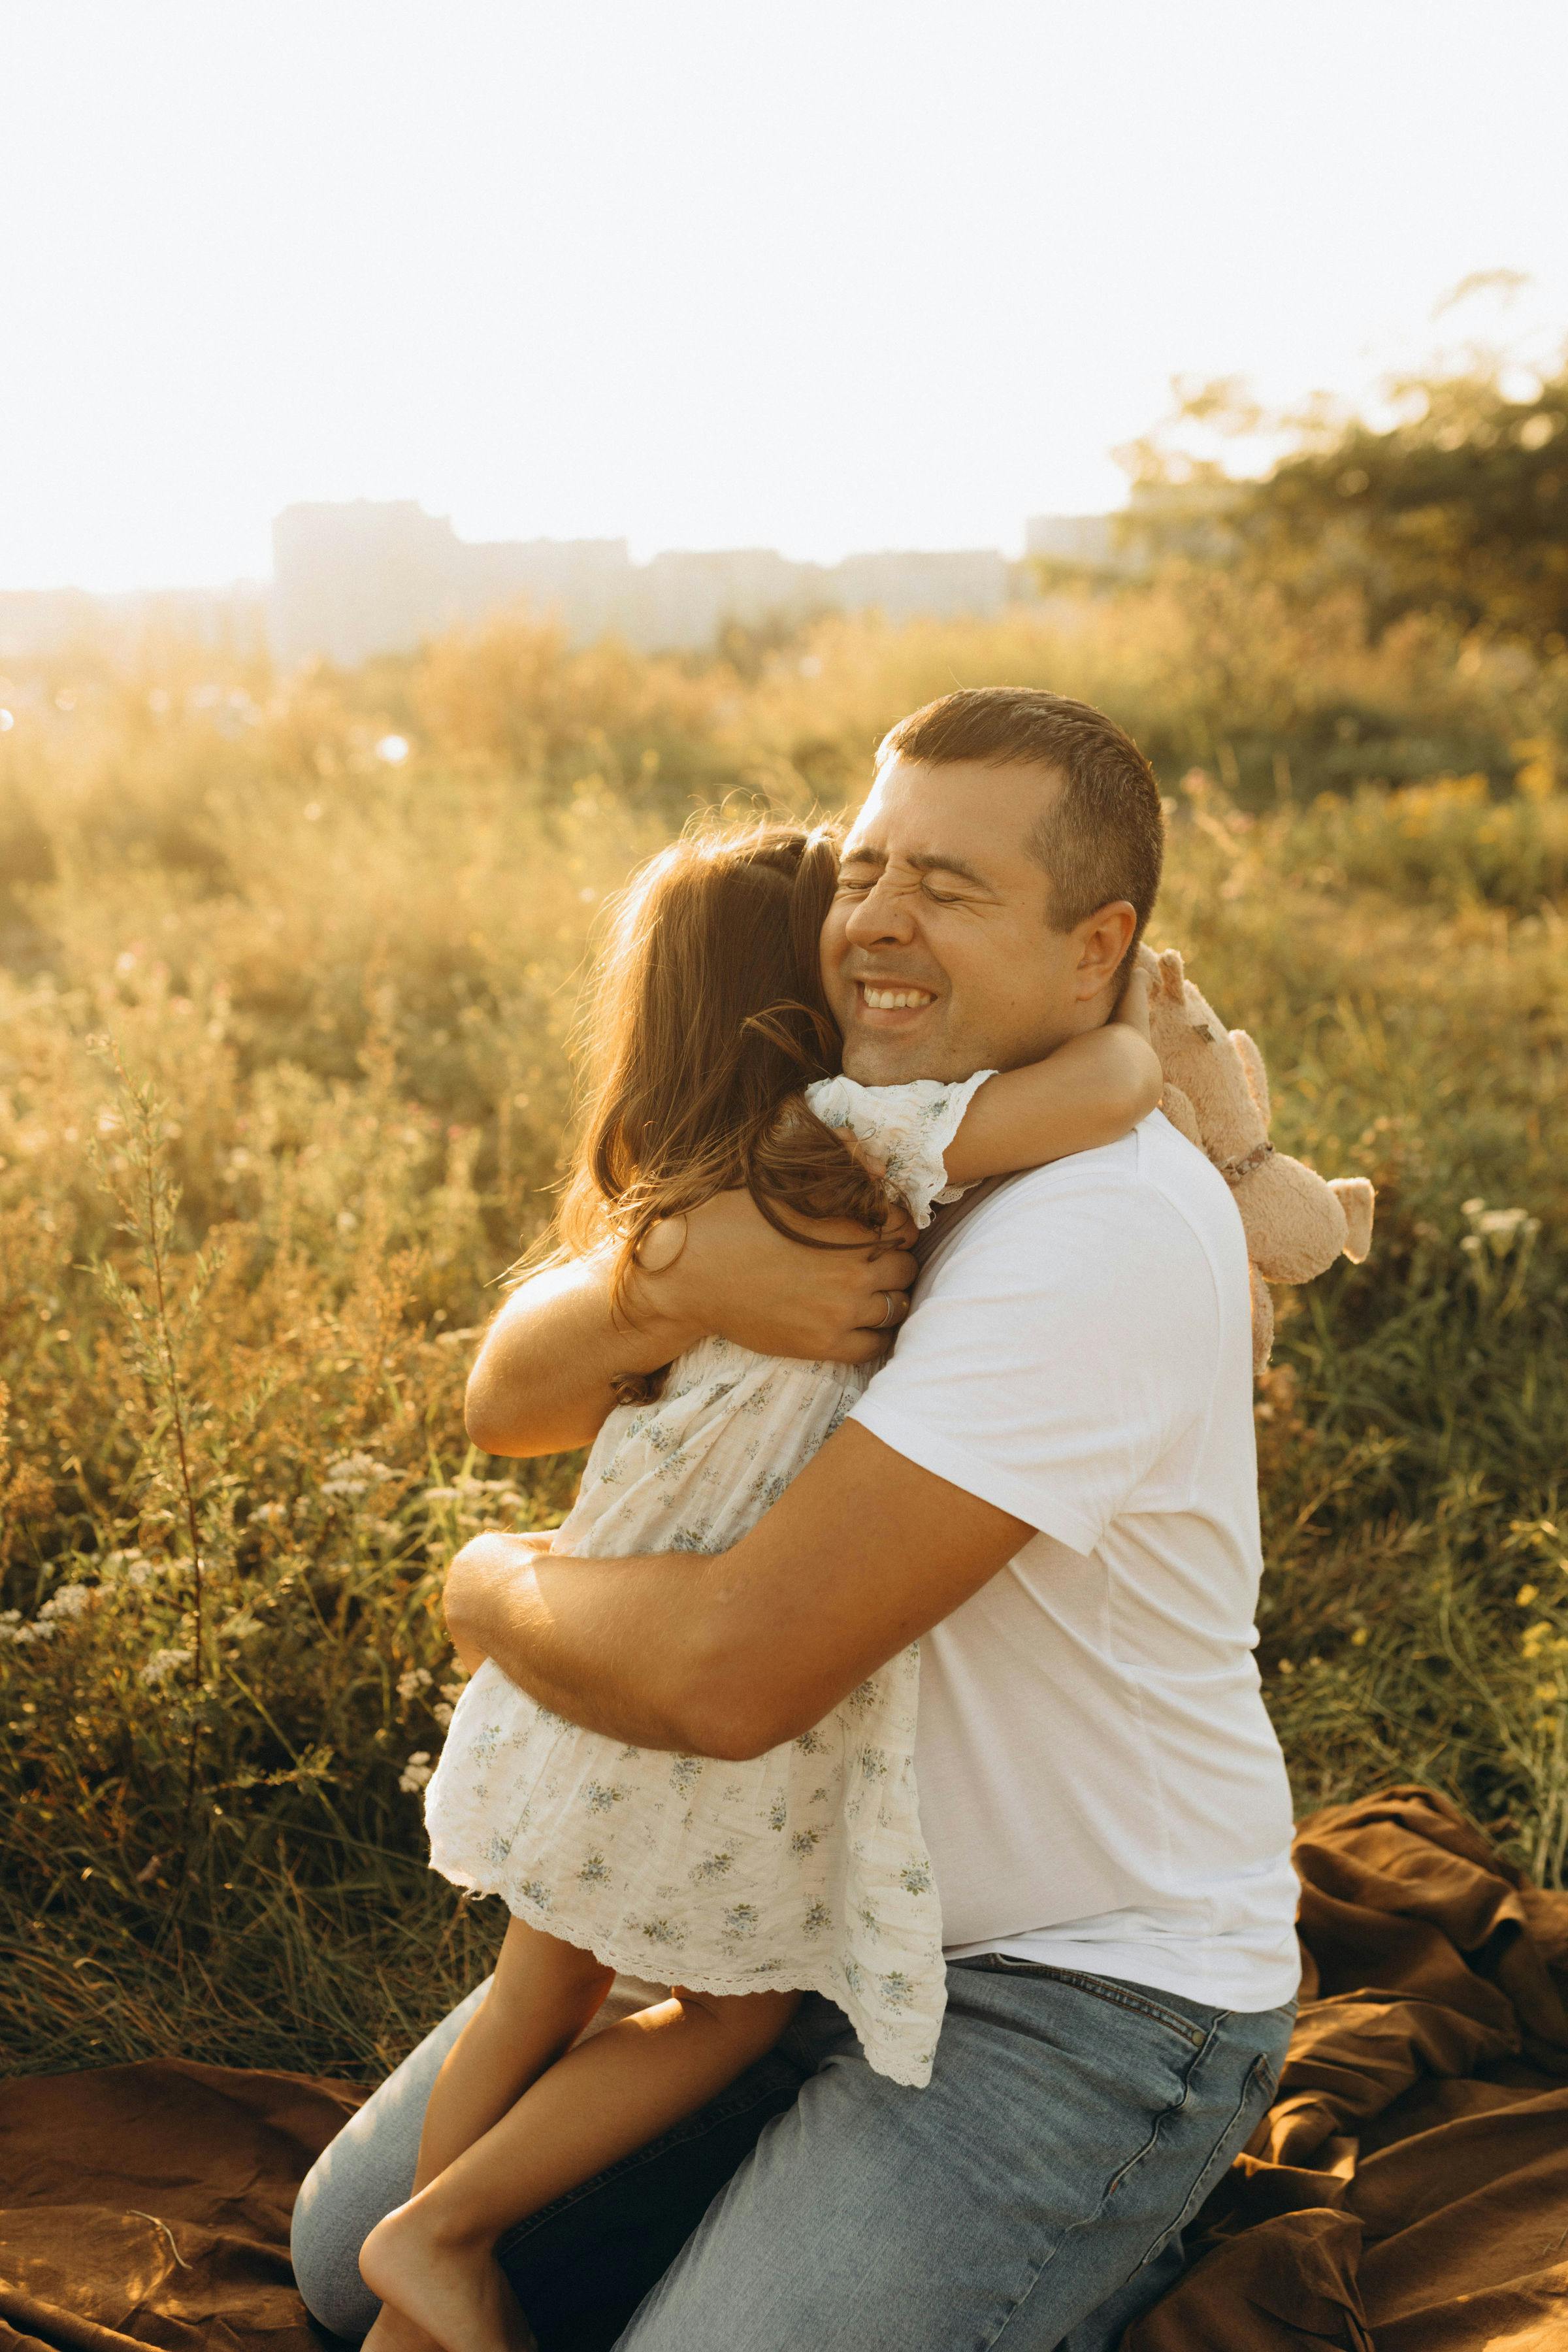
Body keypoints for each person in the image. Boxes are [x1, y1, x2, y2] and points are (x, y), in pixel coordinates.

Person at [293, 687, 1301, 2352]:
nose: (883, 918)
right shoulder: (841, 1140)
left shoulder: (1092, 1228)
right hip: (793, 1910)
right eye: (867, 868)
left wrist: (485, 1587)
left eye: (955, 887)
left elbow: (728, 1679)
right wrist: (666, 1275)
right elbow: (510, 1395)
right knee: (344, 2266)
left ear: (1093, 946)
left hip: (1065, 1994)